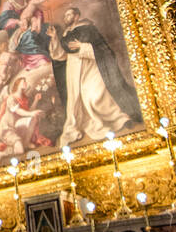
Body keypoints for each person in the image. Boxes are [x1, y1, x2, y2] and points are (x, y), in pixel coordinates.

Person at [56, 7, 142, 145]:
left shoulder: (88, 28)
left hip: (92, 68)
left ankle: (120, 119)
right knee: (80, 100)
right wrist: (54, 38)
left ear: (77, 16)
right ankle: (109, 121)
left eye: (69, 14)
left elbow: (102, 49)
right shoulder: (66, 35)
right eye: (65, 15)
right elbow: (59, 56)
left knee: (94, 97)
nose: (66, 17)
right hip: (74, 72)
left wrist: (83, 46)